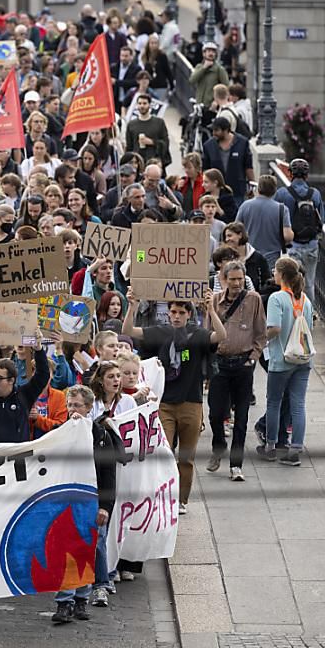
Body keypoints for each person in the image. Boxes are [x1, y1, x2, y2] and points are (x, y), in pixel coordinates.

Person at [123, 288, 226, 514]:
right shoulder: (161, 332)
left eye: (181, 312)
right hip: (165, 405)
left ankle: (181, 500)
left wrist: (211, 310)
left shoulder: (197, 334)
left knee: (186, 458)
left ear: (189, 314)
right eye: (173, 311)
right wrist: (132, 306)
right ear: (168, 313)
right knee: (164, 452)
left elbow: (221, 336)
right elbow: (128, 330)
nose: (176, 316)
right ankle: (163, 495)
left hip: (191, 403)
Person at [51, 385, 121, 625]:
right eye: (69, 405)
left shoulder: (101, 436)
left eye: (77, 406)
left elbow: (109, 475)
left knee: (87, 550)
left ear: (89, 408)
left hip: (92, 503)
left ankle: (81, 598)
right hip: (67, 503)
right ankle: (64, 602)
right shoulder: (60, 432)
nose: (73, 411)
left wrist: (105, 507)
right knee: (67, 552)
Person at [207, 261, 266, 481]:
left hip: (243, 364)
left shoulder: (254, 300)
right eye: (232, 279)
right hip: (220, 364)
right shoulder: (214, 300)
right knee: (215, 413)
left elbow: (261, 333)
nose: (236, 283)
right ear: (224, 280)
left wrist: (252, 359)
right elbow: (207, 332)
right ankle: (218, 445)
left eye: (240, 279)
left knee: (241, 417)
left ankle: (236, 465)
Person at [260, 256, 313, 466]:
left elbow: (274, 328)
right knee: (298, 404)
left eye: (275, 270)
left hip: (281, 360)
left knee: (274, 402)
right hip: (303, 359)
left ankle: (271, 446)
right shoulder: (305, 300)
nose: (273, 273)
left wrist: (260, 339)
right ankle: (296, 448)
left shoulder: (277, 298)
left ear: (282, 275)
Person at [274, 158, 324, 306]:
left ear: (290, 174)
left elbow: (276, 217)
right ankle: (308, 316)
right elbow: (321, 219)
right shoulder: (315, 193)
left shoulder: (282, 193)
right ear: (307, 175)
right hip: (311, 245)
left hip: (291, 246)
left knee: (289, 283)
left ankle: (293, 313)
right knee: (309, 284)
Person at [236, 174, 293, 270]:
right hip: (272, 256)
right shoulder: (282, 209)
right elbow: (287, 236)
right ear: (275, 190)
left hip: (249, 253)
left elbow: (236, 229)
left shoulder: (245, 206)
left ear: (258, 189)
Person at [124, 94, 170, 167]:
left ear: (149, 105)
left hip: (155, 163)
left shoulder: (159, 122)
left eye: (144, 103)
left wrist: (152, 142)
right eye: (139, 103)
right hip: (138, 164)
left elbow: (165, 143)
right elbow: (129, 147)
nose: (142, 106)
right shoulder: (131, 124)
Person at [188, 42, 229, 107]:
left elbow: (226, 87)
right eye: (209, 51)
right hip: (199, 104)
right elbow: (192, 80)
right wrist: (204, 68)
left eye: (213, 52)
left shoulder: (219, 69)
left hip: (211, 106)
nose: (211, 53)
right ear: (204, 53)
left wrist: (216, 101)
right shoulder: (199, 67)